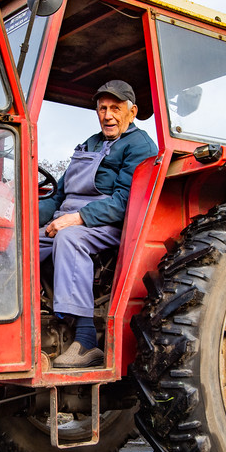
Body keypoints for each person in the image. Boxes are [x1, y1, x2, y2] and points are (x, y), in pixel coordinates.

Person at [39, 80, 159, 368]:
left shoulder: (140, 146)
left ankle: (86, 341)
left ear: (132, 112)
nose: (108, 116)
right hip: (68, 218)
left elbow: (124, 201)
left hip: (107, 223)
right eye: (102, 108)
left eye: (115, 108)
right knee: (22, 243)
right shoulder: (90, 143)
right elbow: (58, 195)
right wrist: (20, 218)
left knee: (70, 238)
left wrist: (78, 218)